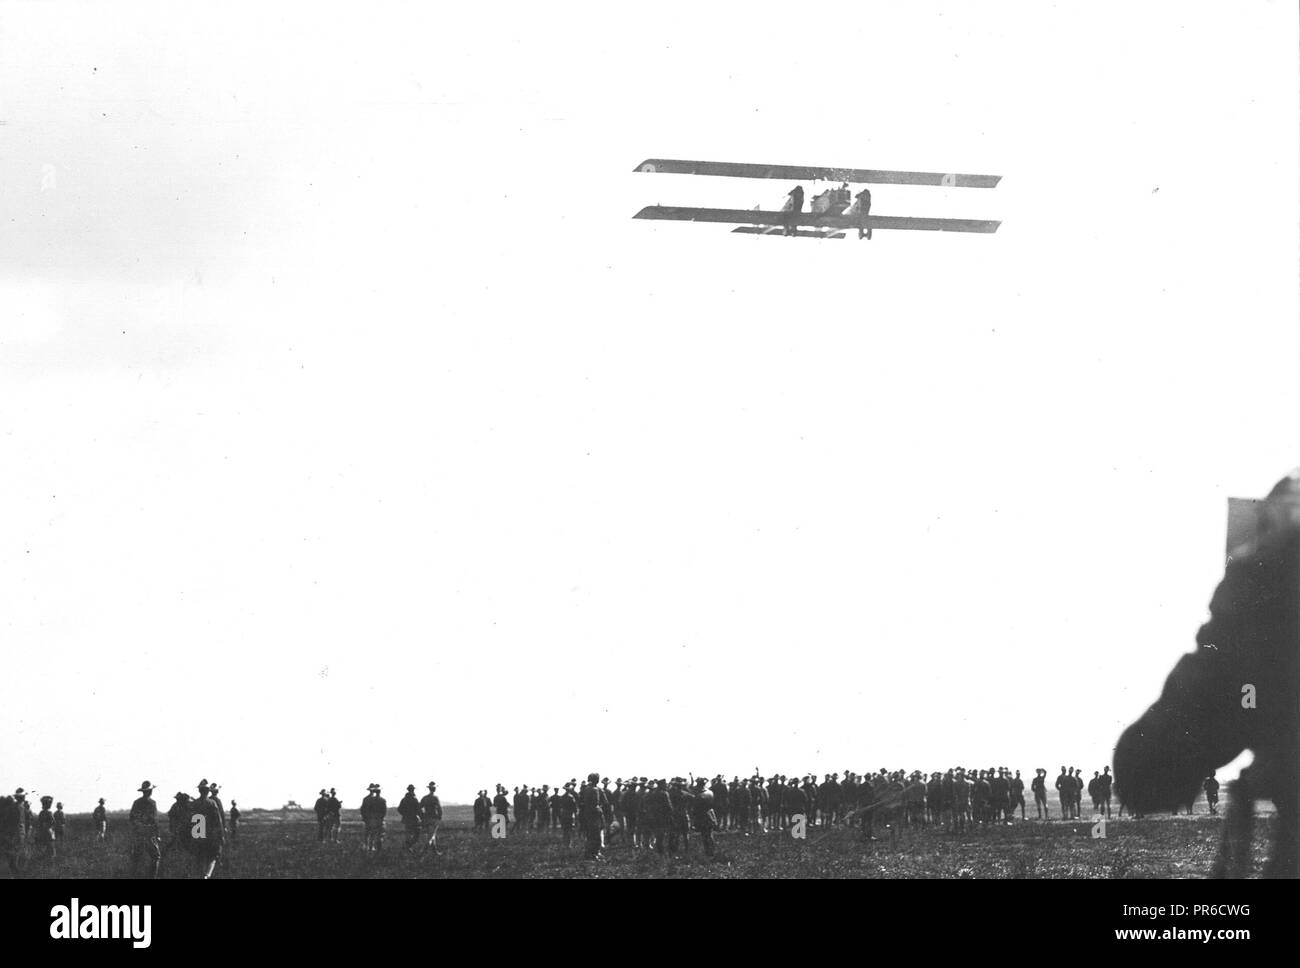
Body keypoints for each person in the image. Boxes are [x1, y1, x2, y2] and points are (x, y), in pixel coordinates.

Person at [190, 779, 225, 879]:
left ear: (199, 791)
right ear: (208, 791)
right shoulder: (212, 803)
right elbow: (218, 821)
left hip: (196, 834)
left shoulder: (194, 804)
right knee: (213, 856)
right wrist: (221, 836)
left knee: (199, 857)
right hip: (210, 834)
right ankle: (207, 875)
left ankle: (200, 875)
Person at [128, 780, 161, 879]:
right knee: (156, 856)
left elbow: (131, 818)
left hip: (138, 833)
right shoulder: (152, 803)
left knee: (136, 857)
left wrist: (137, 827)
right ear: (150, 791)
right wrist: (157, 834)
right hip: (149, 834)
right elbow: (154, 820)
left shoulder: (136, 802)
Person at [578, 771, 609, 860]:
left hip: (590, 815)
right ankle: (593, 853)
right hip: (594, 815)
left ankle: (594, 852)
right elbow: (605, 803)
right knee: (595, 835)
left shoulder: (587, 789)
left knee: (592, 835)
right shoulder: (595, 790)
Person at [0, 790, 23, 875]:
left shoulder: (14, 807)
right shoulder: (18, 807)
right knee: (12, 855)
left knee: (11, 855)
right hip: (15, 835)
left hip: (12, 835)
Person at [360, 783, 387, 853]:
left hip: (370, 819)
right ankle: (376, 849)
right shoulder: (382, 800)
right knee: (378, 835)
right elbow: (384, 812)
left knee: (369, 834)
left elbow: (363, 810)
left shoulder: (367, 799)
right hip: (379, 820)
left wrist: (365, 818)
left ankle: (369, 847)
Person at [398, 784, 423, 850]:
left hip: (406, 819)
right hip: (414, 819)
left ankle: (408, 847)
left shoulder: (404, 799)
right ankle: (408, 846)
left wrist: (404, 814)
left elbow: (399, 809)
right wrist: (422, 817)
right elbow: (418, 810)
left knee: (408, 833)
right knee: (417, 833)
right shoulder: (415, 799)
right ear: (413, 790)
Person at [419, 782, 443, 853]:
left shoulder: (425, 798)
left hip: (426, 818)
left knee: (432, 835)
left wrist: (422, 816)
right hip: (434, 818)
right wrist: (440, 816)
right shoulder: (435, 798)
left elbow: (419, 807)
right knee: (431, 835)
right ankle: (423, 851)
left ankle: (435, 851)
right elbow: (439, 808)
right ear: (434, 789)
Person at [35, 796, 56, 864]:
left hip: (42, 832)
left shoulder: (41, 813)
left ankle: (43, 860)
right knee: (50, 848)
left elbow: (39, 823)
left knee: (43, 846)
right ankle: (50, 862)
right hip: (49, 832)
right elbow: (53, 822)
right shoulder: (49, 813)